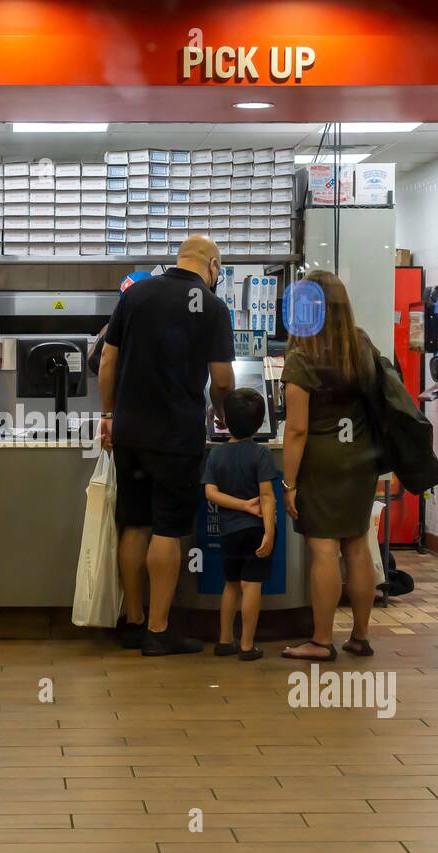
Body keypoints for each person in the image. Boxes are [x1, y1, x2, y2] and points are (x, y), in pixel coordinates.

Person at [98, 236, 235, 656]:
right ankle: (160, 631)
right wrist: (220, 411)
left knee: (134, 523)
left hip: (131, 432)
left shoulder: (136, 295)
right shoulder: (212, 307)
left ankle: (134, 621)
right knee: (168, 529)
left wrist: (108, 414)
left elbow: (107, 359)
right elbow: (223, 377)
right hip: (177, 434)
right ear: (212, 266)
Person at [278, 270, 379, 661]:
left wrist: (289, 483)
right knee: (357, 544)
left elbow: (298, 429)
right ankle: (361, 635)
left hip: (322, 460)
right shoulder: (361, 342)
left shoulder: (303, 353)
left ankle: (321, 641)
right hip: (360, 456)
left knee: (323, 549)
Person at [202, 388, 277, 661]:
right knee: (251, 584)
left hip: (228, 531)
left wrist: (238, 505)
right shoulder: (260, 454)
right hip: (256, 530)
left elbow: (210, 493)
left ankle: (224, 640)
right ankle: (247, 644)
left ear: (224, 420)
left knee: (231, 584)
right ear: (260, 423)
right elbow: (267, 496)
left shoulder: (217, 455)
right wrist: (268, 530)